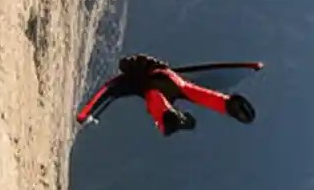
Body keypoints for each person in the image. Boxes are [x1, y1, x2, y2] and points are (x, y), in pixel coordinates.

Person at [76, 53, 258, 136]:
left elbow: (106, 92)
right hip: (168, 81)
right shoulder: (130, 78)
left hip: (160, 84)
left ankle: (170, 117)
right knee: (188, 92)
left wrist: (87, 113)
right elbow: (106, 92)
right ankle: (227, 104)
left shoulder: (124, 82)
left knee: (159, 101)